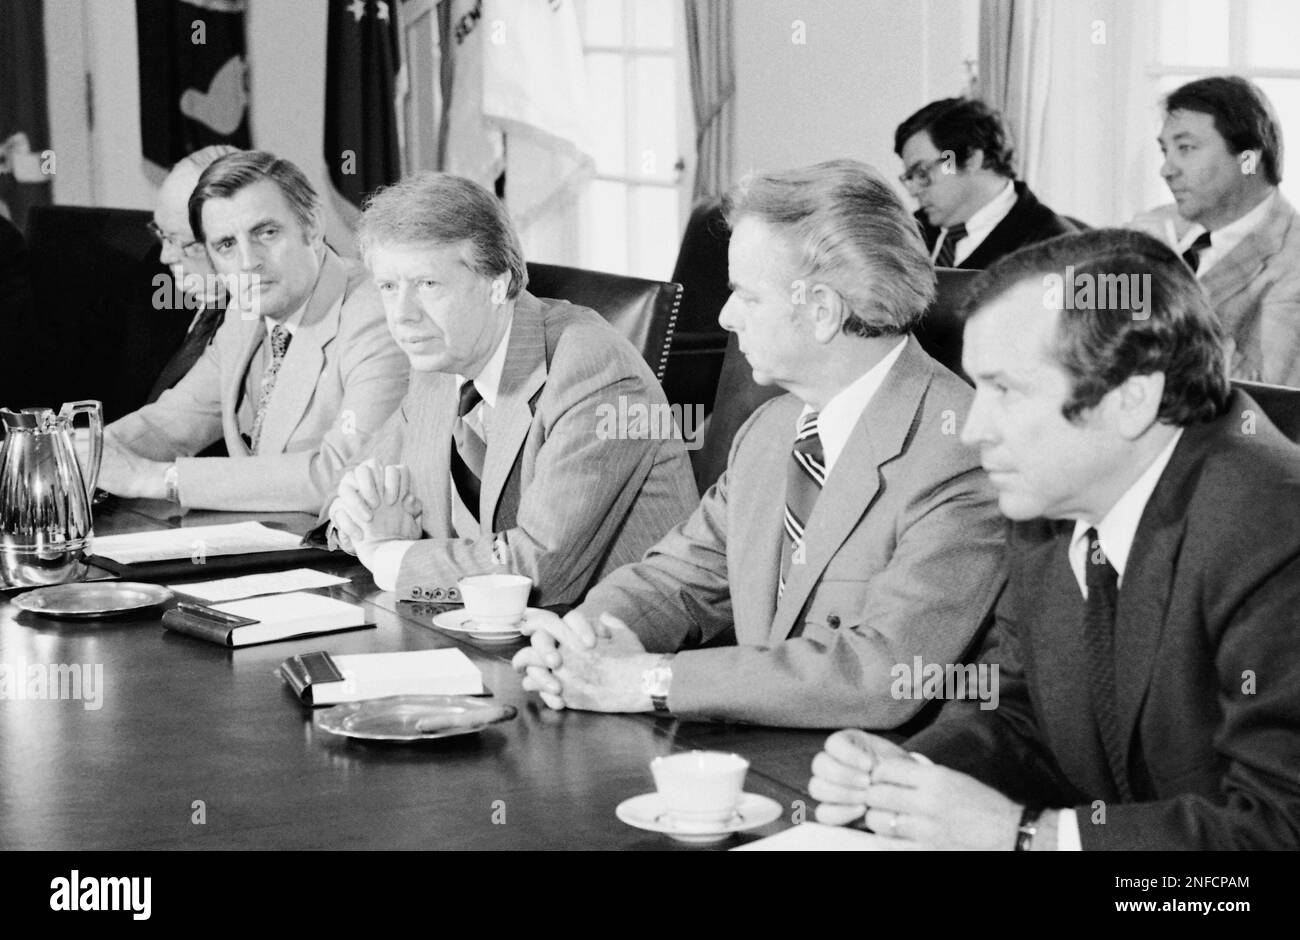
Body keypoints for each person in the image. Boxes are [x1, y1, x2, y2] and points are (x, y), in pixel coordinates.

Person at [809, 229, 1300, 850]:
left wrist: (1027, 838)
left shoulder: (1275, 529)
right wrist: (905, 777)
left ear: (1131, 397)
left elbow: (1280, 830)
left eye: (1006, 390)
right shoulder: (1048, 501)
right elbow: (1025, 713)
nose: (972, 428)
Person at [511, 160, 1005, 728]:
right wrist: (587, 638)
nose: (725, 316)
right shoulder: (772, 429)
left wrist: (648, 680)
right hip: (761, 756)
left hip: (881, 777)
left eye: (746, 296)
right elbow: (679, 578)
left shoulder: (961, 449)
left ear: (821, 310)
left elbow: (880, 675)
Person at [324, 171, 698, 607]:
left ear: (497, 284)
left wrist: (389, 555)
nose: (403, 315)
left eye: (427, 284)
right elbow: (348, 483)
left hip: (613, 642)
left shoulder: (595, 371)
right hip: (487, 630)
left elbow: (539, 567)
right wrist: (354, 518)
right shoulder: (439, 358)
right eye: (389, 287)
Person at [99, 150, 409, 511]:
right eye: (226, 245)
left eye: (266, 233)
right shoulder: (246, 311)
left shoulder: (377, 315)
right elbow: (176, 421)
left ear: (312, 227)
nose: (248, 262)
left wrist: (158, 480)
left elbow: (342, 476)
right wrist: (81, 454)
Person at [1130, 75, 1300, 387]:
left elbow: (1270, 404)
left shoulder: (1293, 260)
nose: (1166, 169)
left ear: (1248, 160)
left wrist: (1169, 290)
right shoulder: (1154, 226)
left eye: (1186, 148)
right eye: (1165, 151)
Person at [894, 97, 1076, 270]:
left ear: (973, 159)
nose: (913, 191)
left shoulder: (1056, 250)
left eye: (922, 172)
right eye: (910, 177)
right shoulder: (907, 233)